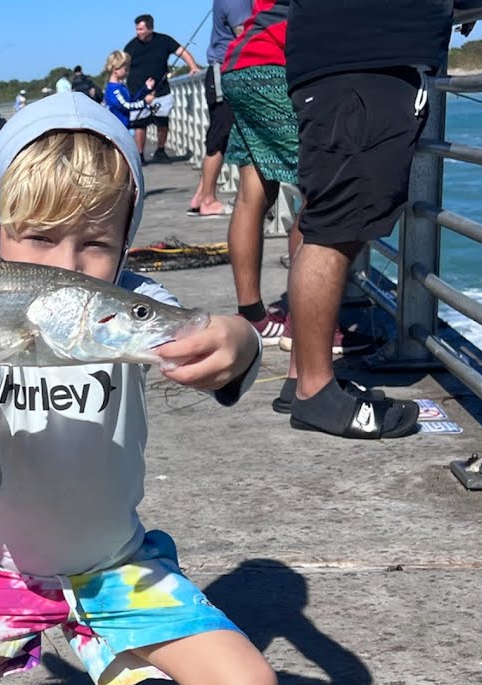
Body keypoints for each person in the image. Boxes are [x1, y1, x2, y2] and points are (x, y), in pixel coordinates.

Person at [0, 92, 275, 685]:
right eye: (38, 237)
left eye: (95, 242)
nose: (66, 264)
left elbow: (217, 350)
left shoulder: (135, 304)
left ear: (126, 236)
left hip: (113, 558)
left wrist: (242, 341)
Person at [279, 0, 453, 438]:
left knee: (327, 217)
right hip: (362, 61)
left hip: (344, 61)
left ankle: (304, 375)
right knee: (334, 229)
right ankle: (315, 393)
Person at [220, 0, 305, 347]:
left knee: (252, 193)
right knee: (320, 190)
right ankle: (309, 326)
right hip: (274, 61)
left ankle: (253, 315)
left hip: (240, 62)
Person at [188, 0, 251, 217]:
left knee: (218, 135)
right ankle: (208, 200)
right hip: (226, 74)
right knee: (219, 137)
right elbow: (245, 35)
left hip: (220, 73)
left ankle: (200, 196)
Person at [124, 13, 201, 162]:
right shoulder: (131, 46)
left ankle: (161, 150)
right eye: (137, 29)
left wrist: (193, 67)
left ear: (150, 28)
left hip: (161, 89)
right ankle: (140, 155)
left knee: (162, 121)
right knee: (140, 124)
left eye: (141, 29)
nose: (138, 32)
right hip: (138, 90)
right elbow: (122, 64)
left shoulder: (164, 40)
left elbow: (182, 52)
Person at [102, 50, 155, 129]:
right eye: (125, 69)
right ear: (115, 69)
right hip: (118, 129)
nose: (127, 72)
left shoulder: (120, 86)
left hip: (125, 127)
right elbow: (126, 106)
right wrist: (144, 102)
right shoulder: (113, 89)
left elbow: (131, 101)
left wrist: (145, 88)